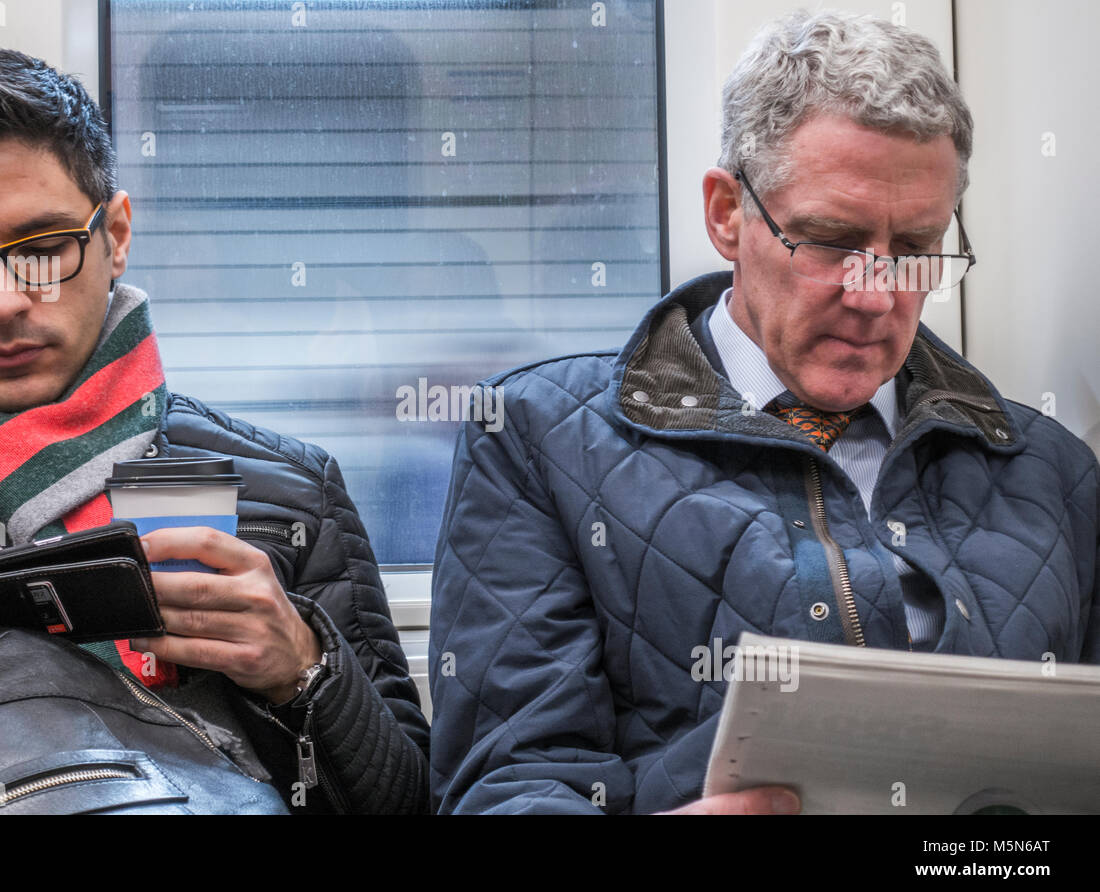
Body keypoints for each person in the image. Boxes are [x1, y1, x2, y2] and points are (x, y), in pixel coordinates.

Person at [429, 9, 1100, 814]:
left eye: (916, 251)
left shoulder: (1048, 469)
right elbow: (513, 782)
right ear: (726, 214)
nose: (876, 295)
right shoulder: (542, 438)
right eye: (829, 241)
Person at [0, 46, 429, 815]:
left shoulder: (290, 495)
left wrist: (305, 671)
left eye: (40, 250)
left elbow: (407, 804)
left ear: (116, 235)